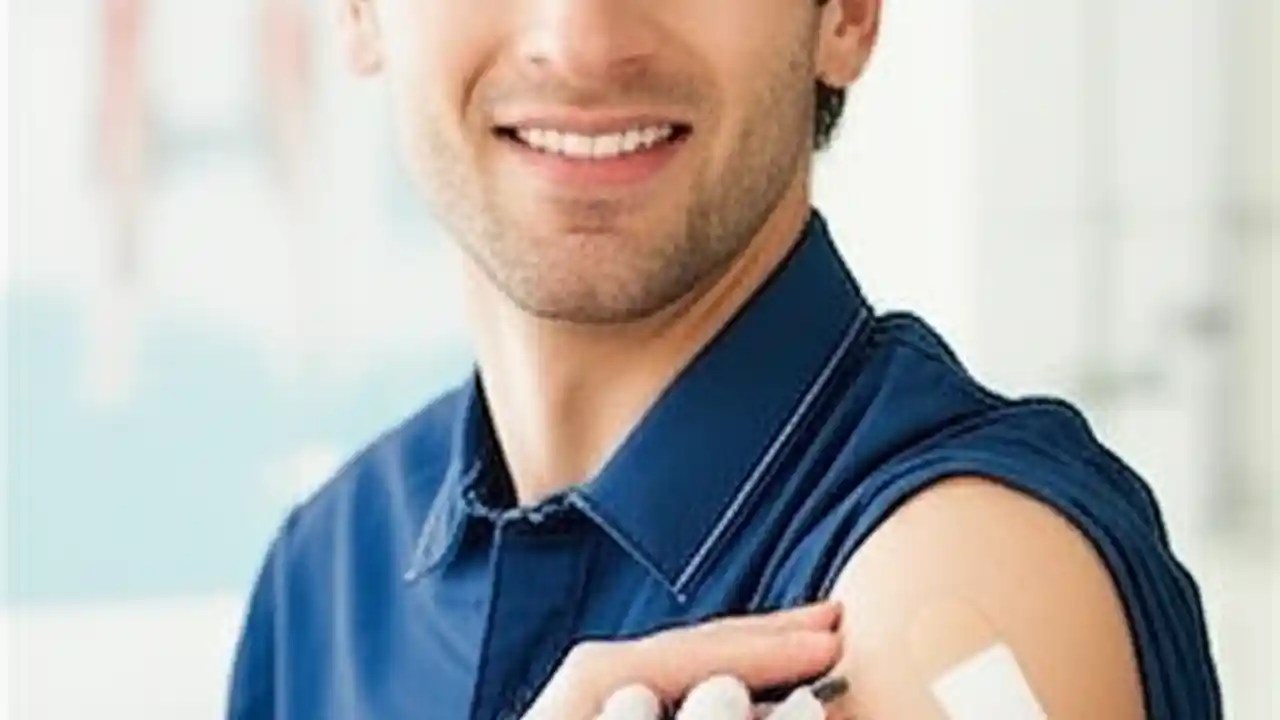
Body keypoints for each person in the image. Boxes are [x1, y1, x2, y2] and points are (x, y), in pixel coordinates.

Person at [227, 0, 1221, 717]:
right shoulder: (324, 578)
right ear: (357, 11)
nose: (578, 38)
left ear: (846, 14)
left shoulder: (961, 575)